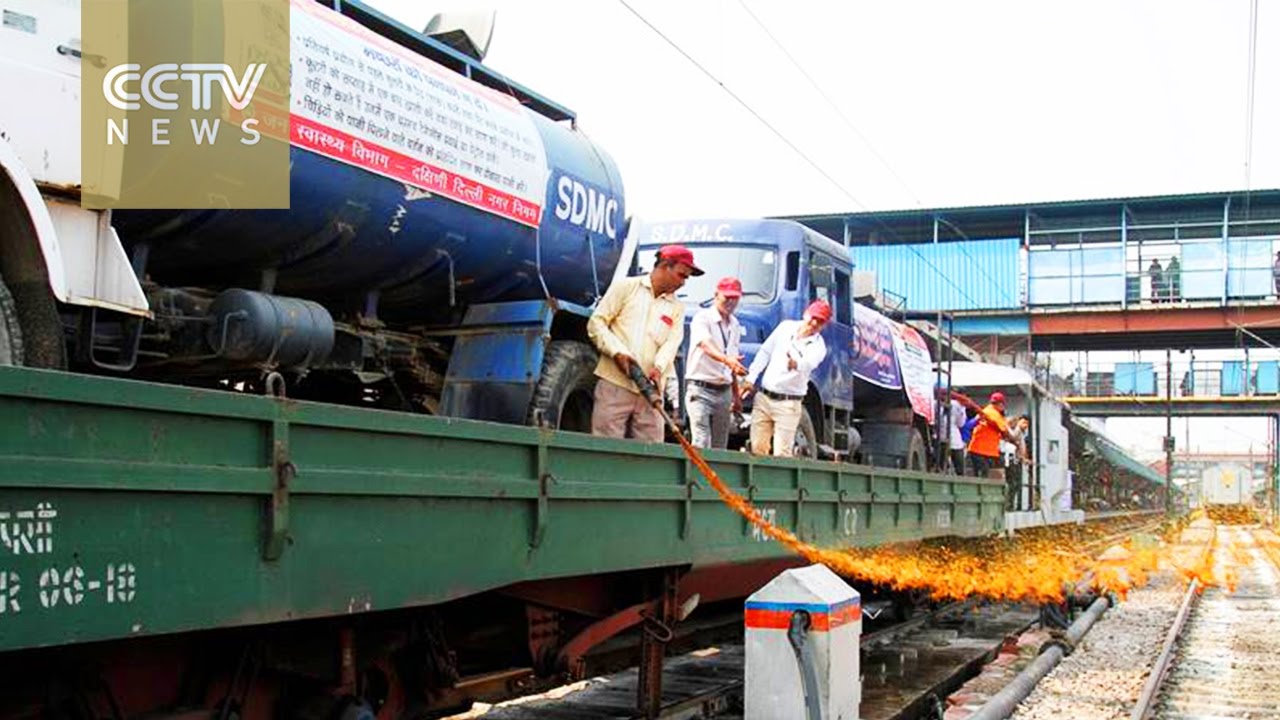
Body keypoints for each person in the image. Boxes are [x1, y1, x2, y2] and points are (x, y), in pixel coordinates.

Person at [587, 244, 702, 442]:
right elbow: (596, 323)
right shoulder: (626, 288)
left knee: (651, 452)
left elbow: (672, 343)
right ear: (665, 265)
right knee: (605, 448)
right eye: (682, 275)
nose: (684, 283)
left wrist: (658, 367)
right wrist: (617, 352)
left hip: (651, 391)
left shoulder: (676, 307)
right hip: (615, 383)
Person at [740, 300, 831, 457]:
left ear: (824, 325)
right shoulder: (785, 328)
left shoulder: (818, 346)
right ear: (806, 314)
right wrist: (751, 379)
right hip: (764, 397)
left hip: (788, 403)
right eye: (814, 317)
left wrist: (795, 364)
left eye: (820, 321)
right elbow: (765, 352)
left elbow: (809, 363)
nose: (815, 323)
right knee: (757, 447)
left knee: (782, 452)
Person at [684, 277, 748, 449]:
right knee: (701, 441)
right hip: (700, 388)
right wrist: (727, 360)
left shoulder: (735, 324)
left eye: (735, 298)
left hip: (724, 391)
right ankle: (696, 476)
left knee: (720, 446)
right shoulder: (702, 318)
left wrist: (736, 395)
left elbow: (732, 361)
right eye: (727, 297)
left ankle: (715, 476)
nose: (731, 302)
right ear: (716, 295)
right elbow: (705, 345)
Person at [966, 391, 1016, 478]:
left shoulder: (988, 411)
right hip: (981, 451)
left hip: (981, 450)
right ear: (1000, 404)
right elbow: (1004, 431)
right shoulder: (993, 413)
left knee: (981, 475)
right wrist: (1014, 440)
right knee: (983, 476)